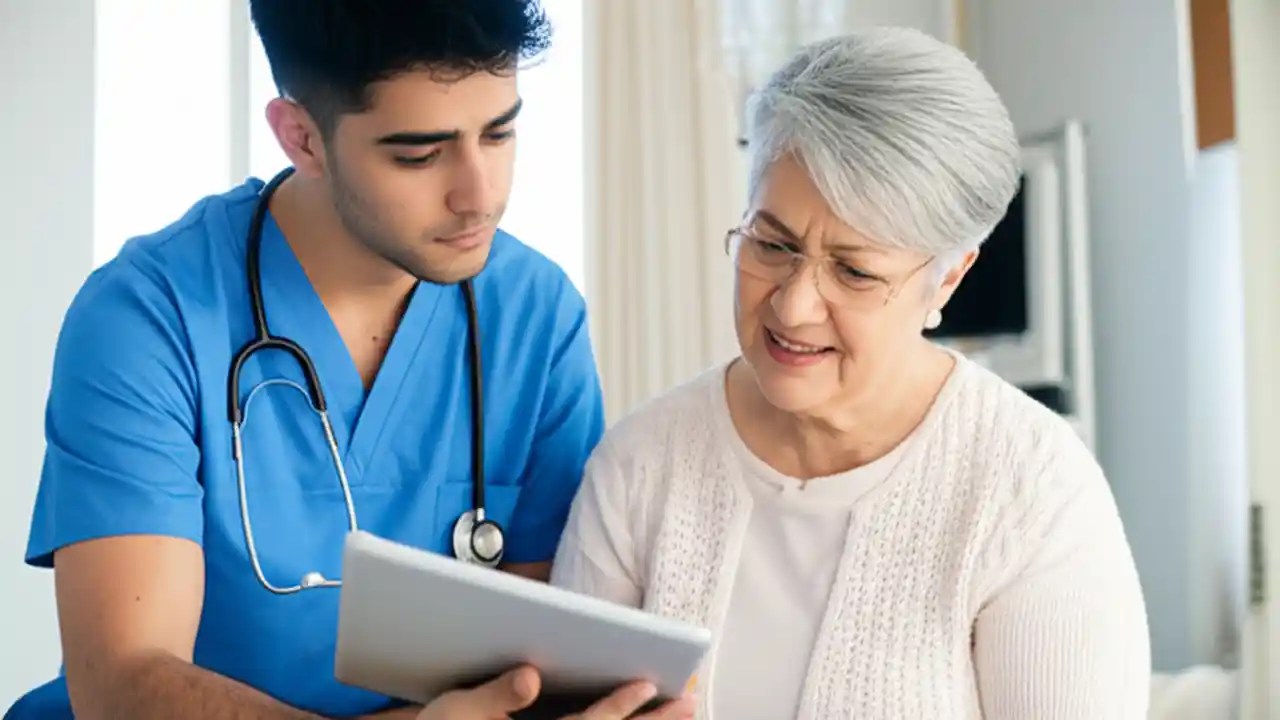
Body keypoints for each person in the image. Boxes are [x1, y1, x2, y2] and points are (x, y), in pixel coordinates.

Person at [6, 2, 691, 719]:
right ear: (302, 137)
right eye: (419, 155)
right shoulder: (150, 318)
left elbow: (544, 668)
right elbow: (122, 683)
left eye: (499, 132)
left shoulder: (535, 317)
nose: (479, 196)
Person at [550, 27, 1151, 720]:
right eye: (771, 243)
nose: (794, 305)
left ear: (947, 280)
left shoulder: (1030, 490)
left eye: (855, 271)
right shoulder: (640, 465)